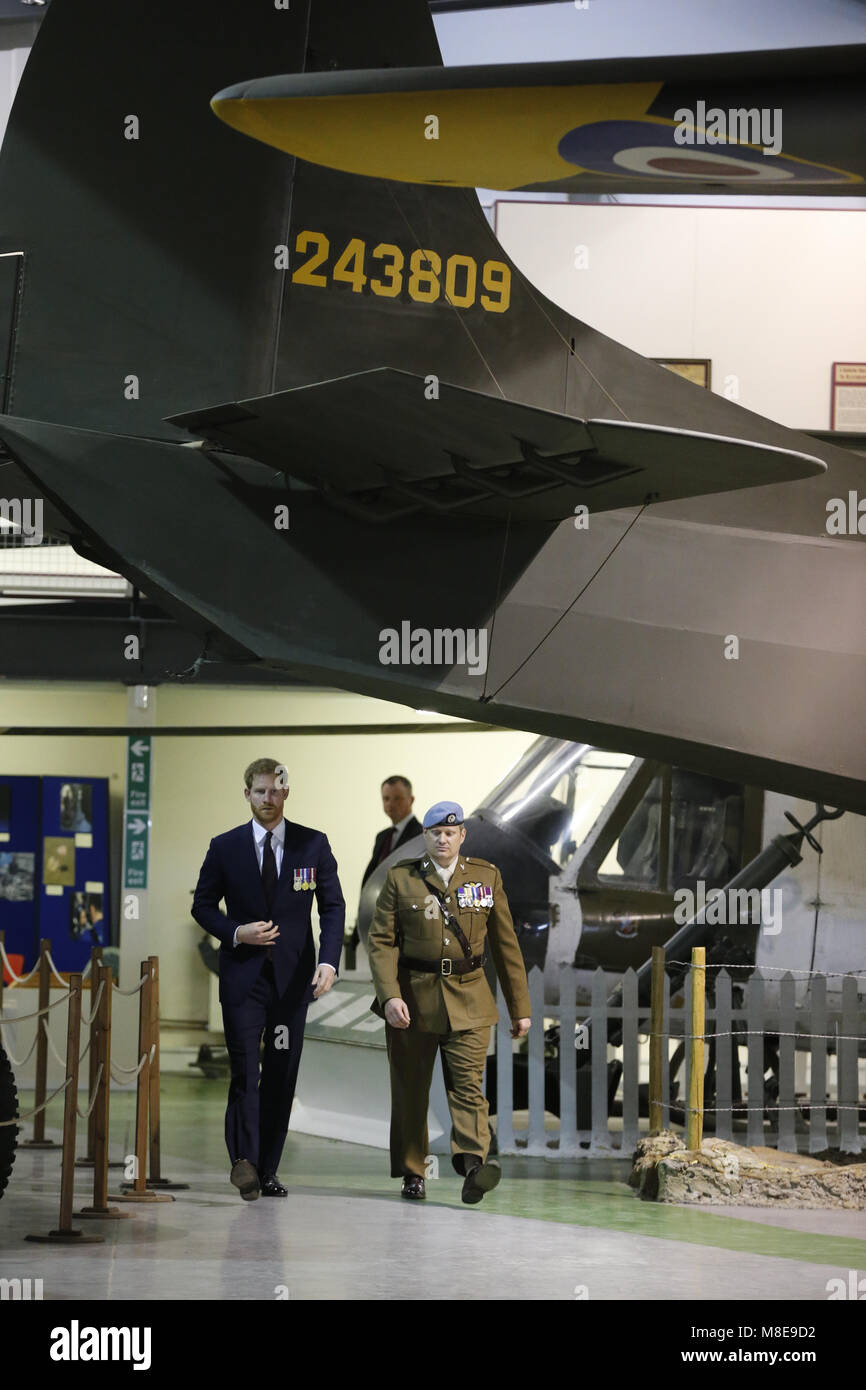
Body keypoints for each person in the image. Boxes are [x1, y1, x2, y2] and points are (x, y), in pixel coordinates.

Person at [192, 758, 345, 1201]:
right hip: (243, 981)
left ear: (286, 793)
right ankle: (243, 1162)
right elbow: (202, 906)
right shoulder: (225, 847)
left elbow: (332, 907)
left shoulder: (312, 845)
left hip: (291, 985)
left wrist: (329, 962)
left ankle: (268, 1168)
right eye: (259, 792)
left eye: (275, 791)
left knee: (280, 1071)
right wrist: (237, 932)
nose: (268, 799)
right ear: (247, 795)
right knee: (245, 1069)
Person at [367, 801, 530, 1204]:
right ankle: (412, 1172)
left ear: (462, 836)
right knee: (410, 1091)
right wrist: (389, 996)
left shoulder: (485, 877)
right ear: (425, 836)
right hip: (413, 998)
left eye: (450, 832)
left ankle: (473, 1165)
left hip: (470, 997)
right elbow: (382, 943)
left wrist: (520, 1008)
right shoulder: (401, 878)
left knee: (469, 1088)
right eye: (435, 832)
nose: (442, 838)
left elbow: (506, 945)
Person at [344, 775, 422, 967]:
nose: (390, 804)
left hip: (406, 926)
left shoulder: (422, 836)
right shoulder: (383, 837)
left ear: (411, 800)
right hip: (378, 919)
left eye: (397, 798)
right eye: (386, 799)